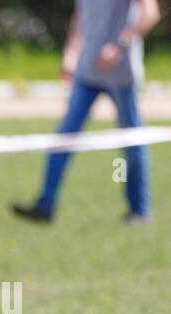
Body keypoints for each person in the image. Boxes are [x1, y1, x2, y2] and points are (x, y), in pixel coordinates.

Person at [12, 0, 162, 224]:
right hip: (87, 72)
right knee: (64, 137)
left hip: (121, 74)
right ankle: (45, 205)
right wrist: (70, 54)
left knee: (132, 141)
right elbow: (80, 17)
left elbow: (151, 13)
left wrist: (120, 45)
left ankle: (139, 211)